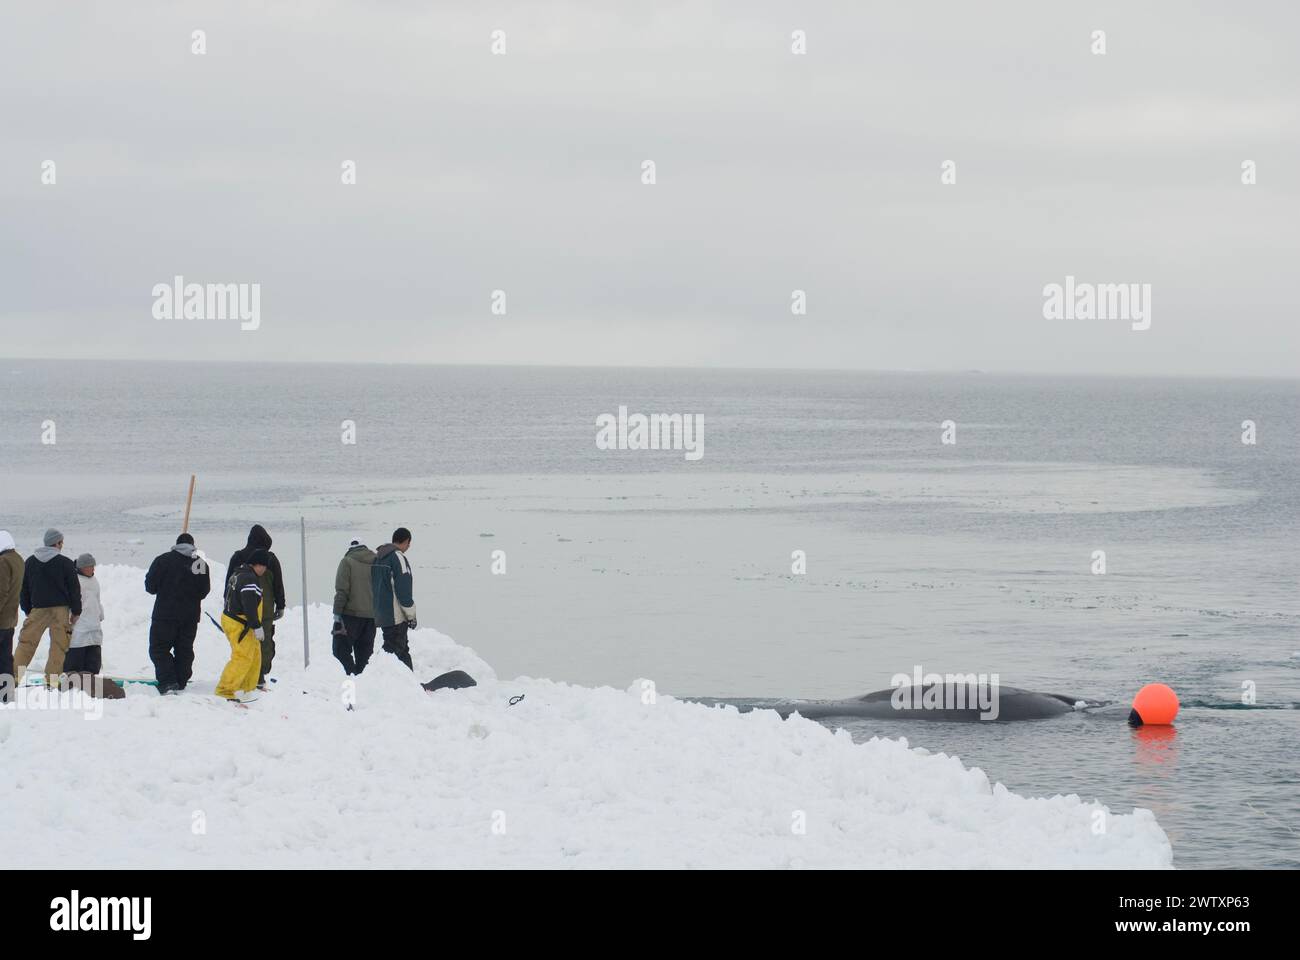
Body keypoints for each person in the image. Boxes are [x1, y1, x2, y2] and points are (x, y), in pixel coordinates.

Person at [145, 533, 212, 694]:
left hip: (165, 615)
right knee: (184, 649)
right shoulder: (200, 564)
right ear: (193, 545)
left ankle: (168, 681)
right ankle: (180, 680)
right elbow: (204, 591)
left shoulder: (163, 560)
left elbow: (150, 587)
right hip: (190, 617)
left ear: (177, 544)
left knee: (159, 648)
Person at [14, 528, 81, 686]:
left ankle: (13, 677)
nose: (62, 545)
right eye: (61, 542)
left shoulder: (30, 562)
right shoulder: (65, 563)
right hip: (60, 610)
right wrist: (76, 610)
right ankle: (53, 680)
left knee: (26, 644)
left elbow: (24, 589)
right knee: (58, 646)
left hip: (37, 609)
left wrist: (28, 609)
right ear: (57, 543)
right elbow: (74, 589)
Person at [227, 524, 284, 690]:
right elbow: (278, 585)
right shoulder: (271, 559)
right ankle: (258, 676)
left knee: (242, 643)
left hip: (238, 608)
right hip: (264, 608)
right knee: (262, 642)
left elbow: (229, 583)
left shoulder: (237, 557)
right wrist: (280, 605)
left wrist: (227, 602)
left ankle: (243, 676)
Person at [215, 549, 270, 702]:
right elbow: (249, 605)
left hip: (238, 621)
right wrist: (256, 625)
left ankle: (245, 689)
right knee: (243, 656)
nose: (264, 570)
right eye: (264, 566)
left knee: (254, 654)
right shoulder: (249, 579)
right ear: (257, 564)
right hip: (238, 623)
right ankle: (225, 690)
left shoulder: (240, 573)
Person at [371, 527, 416, 670]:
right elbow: (404, 590)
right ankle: (377, 680)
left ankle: (411, 685)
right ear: (406, 541)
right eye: (409, 543)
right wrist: (411, 615)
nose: (409, 546)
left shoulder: (378, 558)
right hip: (396, 616)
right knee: (392, 654)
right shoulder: (398, 558)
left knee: (401, 652)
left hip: (382, 614)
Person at [332, 536, 376, 675]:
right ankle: (363, 681)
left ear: (350, 549)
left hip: (350, 616)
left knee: (340, 649)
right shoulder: (376, 562)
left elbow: (342, 590)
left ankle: (351, 676)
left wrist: (337, 614)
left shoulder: (347, 562)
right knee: (365, 655)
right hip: (371, 618)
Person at [64, 553, 104, 675]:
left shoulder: (94, 580)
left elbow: (97, 599)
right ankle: (71, 679)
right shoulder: (75, 580)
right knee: (76, 654)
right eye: (90, 566)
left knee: (93, 657)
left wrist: (100, 613)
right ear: (82, 567)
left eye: (93, 566)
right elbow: (71, 601)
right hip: (79, 625)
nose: (93, 568)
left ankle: (91, 678)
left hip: (94, 625)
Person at [0, 530, 24, 702]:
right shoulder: (18, 560)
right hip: (10, 619)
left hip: (1, 618)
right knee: (5, 658)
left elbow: (1, 592)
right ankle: (6, 693)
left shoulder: (3, 562)